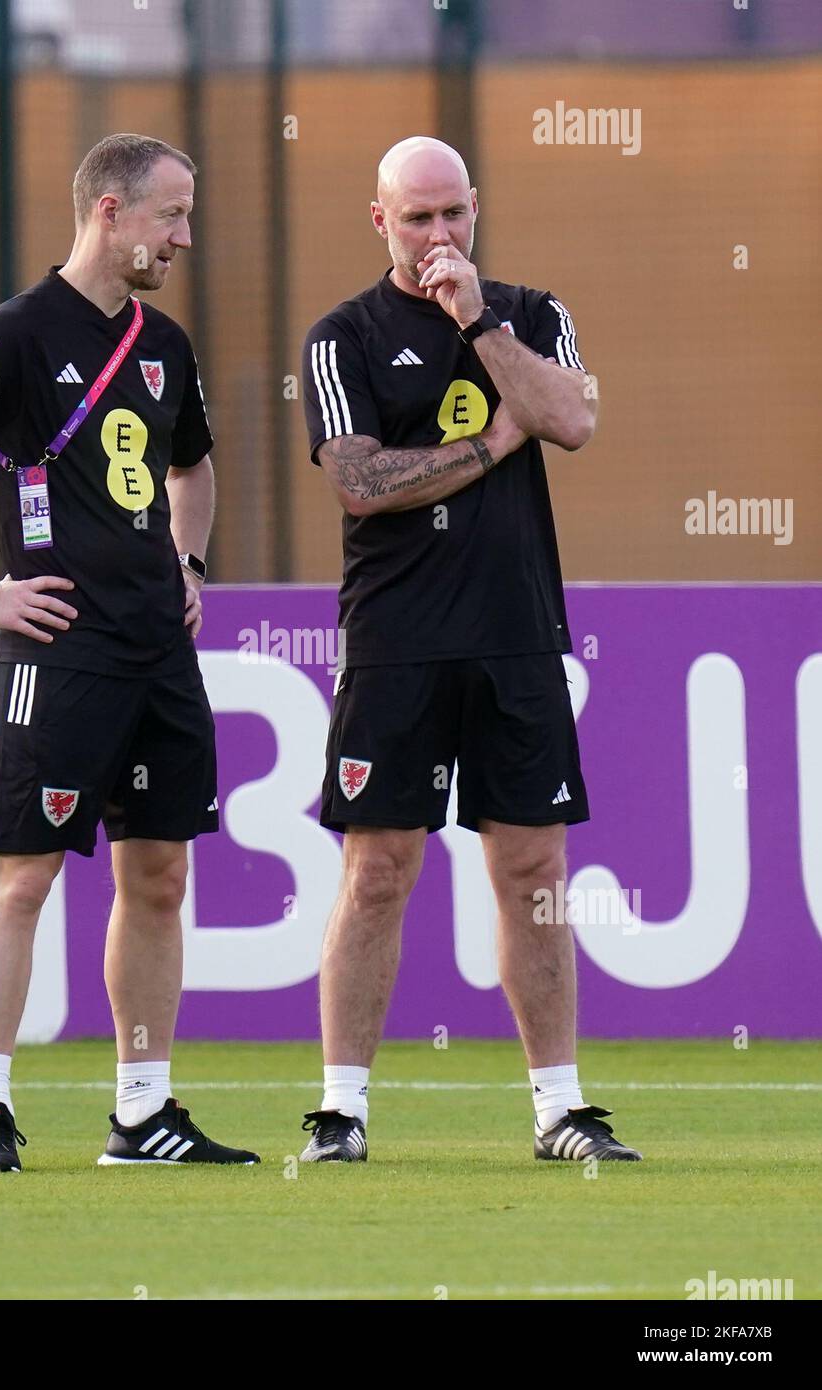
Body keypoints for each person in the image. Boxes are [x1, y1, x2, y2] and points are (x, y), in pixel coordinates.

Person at [0, 133, 258, 1172]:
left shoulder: (164, 343)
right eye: (170, 215)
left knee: (159, 878)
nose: (184, 235)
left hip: (158, 655)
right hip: (61, 657)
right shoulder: (12, 336)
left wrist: (188, 563)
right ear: (108, 211)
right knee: (20, 879)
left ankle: (143, 1113)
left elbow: (194, 469)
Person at [299, 135, 641, 1163]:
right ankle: (342, 1108)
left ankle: (558, 1107)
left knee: (533, 867)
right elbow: (361, 481)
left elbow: (571, 420)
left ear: (475, 207)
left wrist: (476, 319)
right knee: (378, 870)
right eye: (417, 219)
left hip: (515, 629)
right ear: (380, 222)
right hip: (397, 640)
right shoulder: (342, 335)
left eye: (453, 214)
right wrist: (491, 445)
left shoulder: (531, 315)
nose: (438, 235)